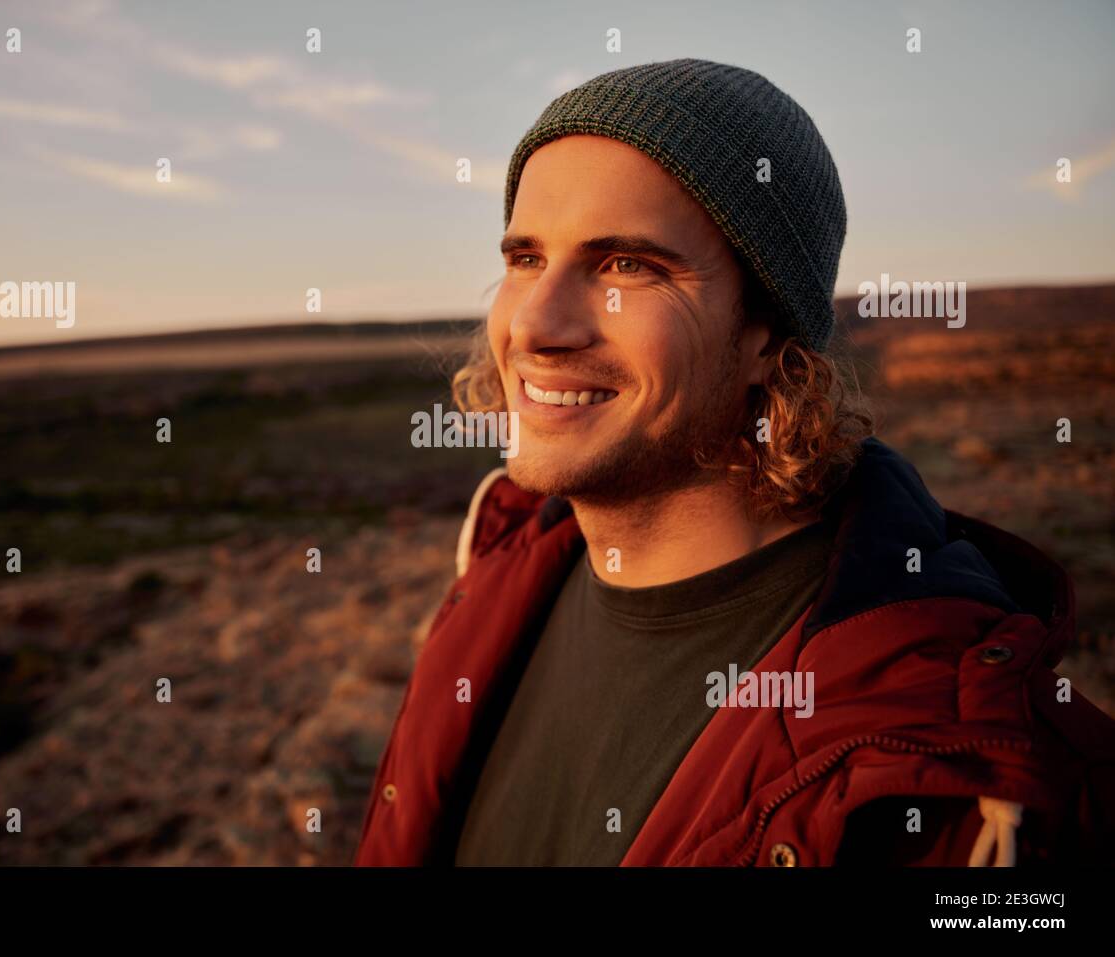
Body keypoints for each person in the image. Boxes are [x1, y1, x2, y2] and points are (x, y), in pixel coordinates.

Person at [353, 58, 1115, 866]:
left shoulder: (973, 786)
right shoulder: (495, 574)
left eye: (627, 266)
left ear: (766, 335)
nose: (536, 325)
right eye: (526, 258)